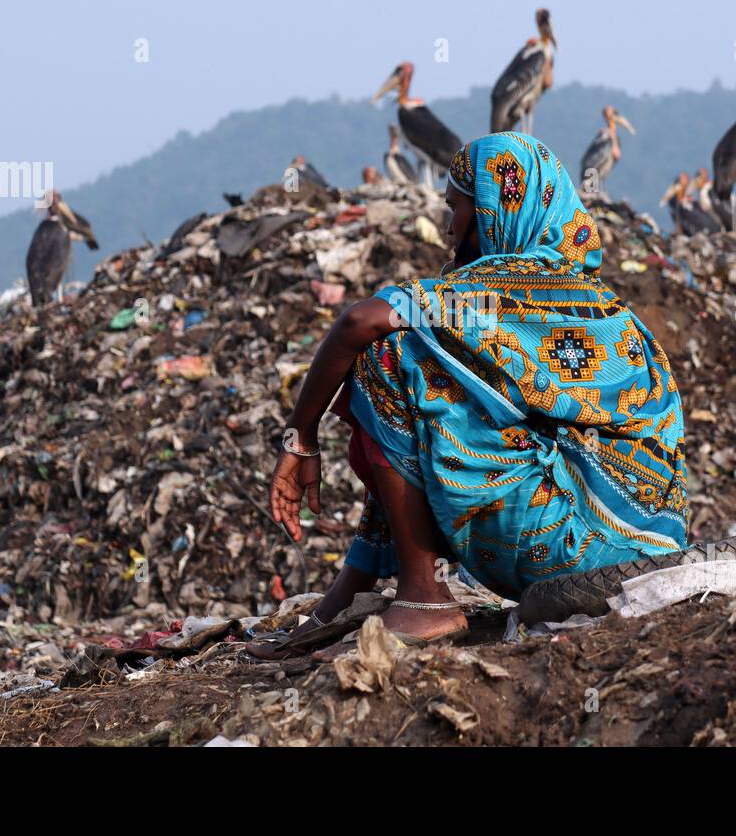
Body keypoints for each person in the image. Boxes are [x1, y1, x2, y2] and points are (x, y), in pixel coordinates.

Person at [250, 133, 688, 657]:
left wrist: (300, 441)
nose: (450, 226)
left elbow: (357, 321)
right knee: (431, 386)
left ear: (493, 212)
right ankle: (351, 592)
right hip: (646, 543)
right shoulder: (605, 307)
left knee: (389, 359)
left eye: (457, 207)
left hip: (572, 547)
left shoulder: (500, 290)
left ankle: (424, 599)